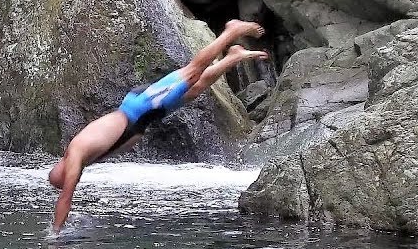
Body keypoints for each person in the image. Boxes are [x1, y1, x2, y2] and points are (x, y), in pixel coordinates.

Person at [47, 20, 268, 231]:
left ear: (62, 166)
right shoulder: (84, 160)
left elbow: (66, 198)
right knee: (195, 89)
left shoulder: (76, 152)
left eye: (65, 178)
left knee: (192, 73)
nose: (69, 181)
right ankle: (232, 57)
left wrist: (56, 233)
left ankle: (231, 31)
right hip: (146, 115)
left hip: (142, 105)